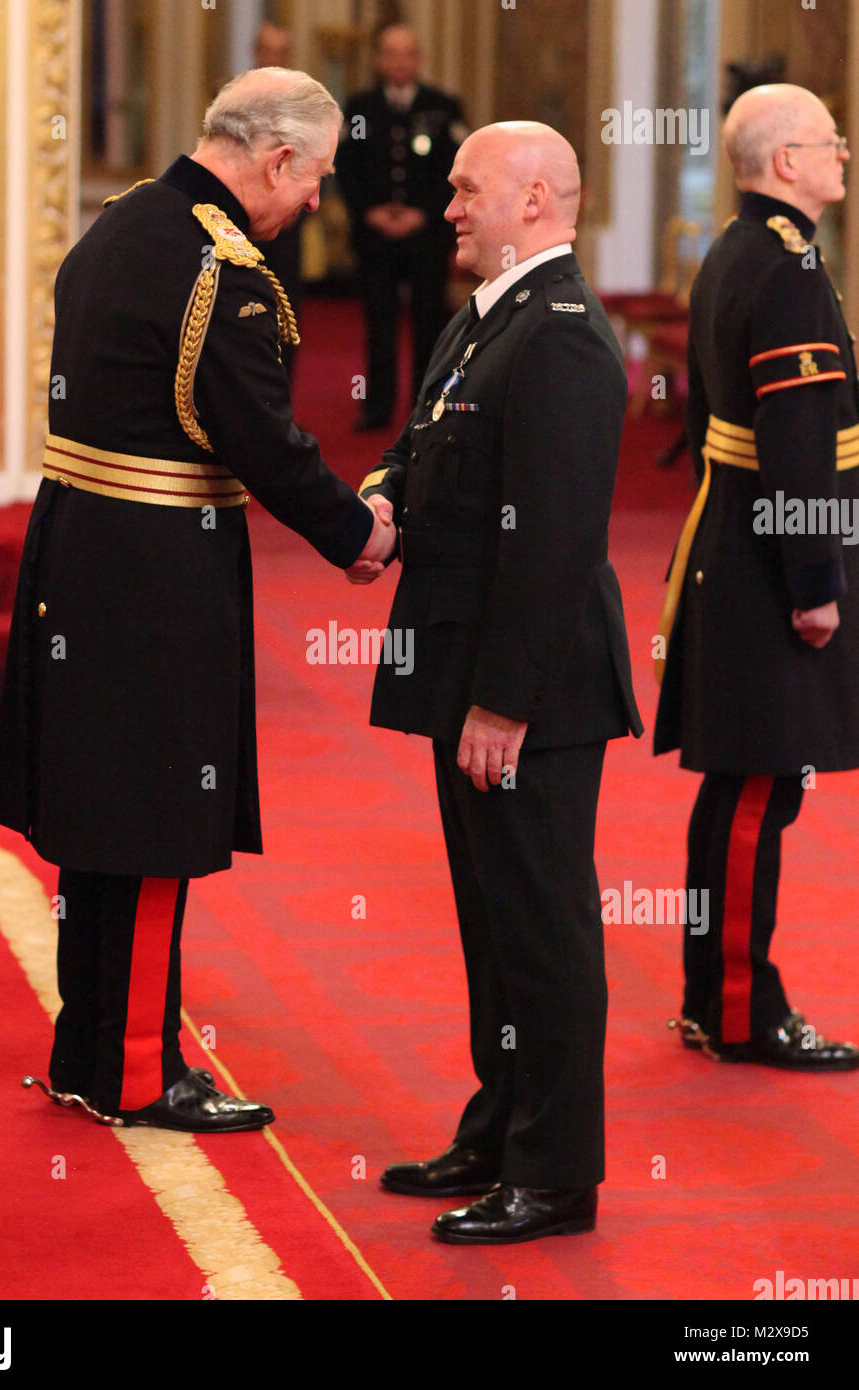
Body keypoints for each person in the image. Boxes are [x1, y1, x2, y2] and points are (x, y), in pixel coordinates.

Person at [0, 68, 395, 1134]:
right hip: (157, 569)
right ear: (276, 160)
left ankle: (90, 1048)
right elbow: (263, 438)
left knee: (97, 814)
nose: (316, 204)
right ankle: (131, 1069)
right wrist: (357, 533)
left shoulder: (122, 223)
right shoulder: (225, 269)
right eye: (316, 180)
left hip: (80, 544)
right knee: (159, 813)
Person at [354, 122, 642, 1244]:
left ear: (534, 197)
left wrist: (504, 701)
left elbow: (557, 542)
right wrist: (382, 504)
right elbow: (424, 446)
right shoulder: (491, 317)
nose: (450, 207)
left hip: (532, 689)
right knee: (492, 920)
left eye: (467, 190)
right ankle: (502, 1121)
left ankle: (558, 1172)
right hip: (469, 663)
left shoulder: (563, 333)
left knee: (543, 924)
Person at [654, 83, 859, 1071]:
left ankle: (713, 993)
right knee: (755, 791)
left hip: (733, 544)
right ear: (786, 163)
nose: (843, 155)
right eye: (830, 141)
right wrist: (815, 582)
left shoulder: (738, 251)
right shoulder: (789, 271)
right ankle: (738, 1006)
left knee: (743, 785)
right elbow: (797, 438)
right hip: (769, 560)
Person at [336, 24, 466, 431]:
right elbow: (344, 166)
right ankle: (377, 406)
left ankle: (424, 406)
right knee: (379, 320)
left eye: (406, 53)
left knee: (430, 321)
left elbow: (456, 170)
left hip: (427, 234)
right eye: (390, 54)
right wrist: (369, 210)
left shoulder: (443, 106)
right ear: (378, 59)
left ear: (418, 58)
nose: (398, 62)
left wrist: (422, 213)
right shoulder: (358, 107)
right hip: (375, 236)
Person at [251, 22, 302, 389]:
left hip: (286, 226)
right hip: (241, 228)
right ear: (257, 52)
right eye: (269, 50)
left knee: (285, 316)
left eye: (282, 52)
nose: (275, 59)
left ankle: (280, 406)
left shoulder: (304, 108)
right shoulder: (234, 103)